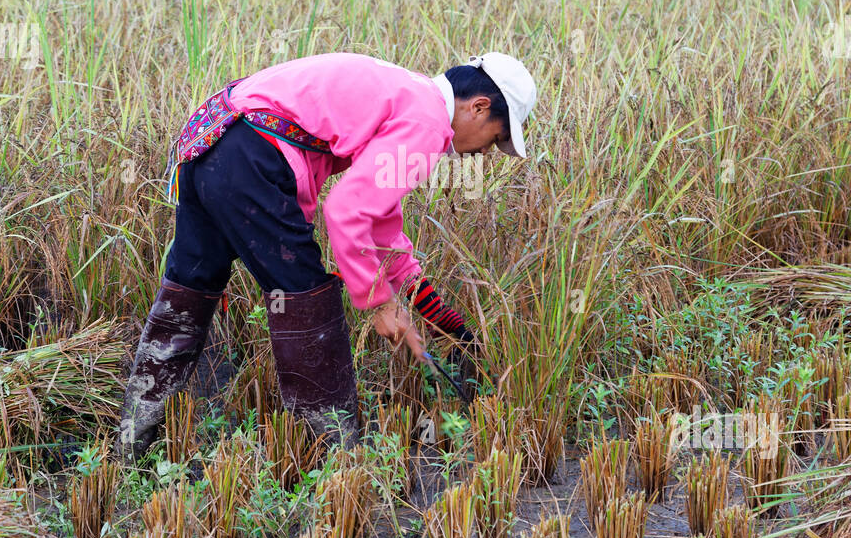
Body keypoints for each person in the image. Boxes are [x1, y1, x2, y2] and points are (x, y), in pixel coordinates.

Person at [117, 52, 538, 459]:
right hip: (253, 154)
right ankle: (334, 457)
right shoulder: (428, 123)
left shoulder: (409, 93)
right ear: (479, 108)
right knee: (307, 297)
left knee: (193, 285)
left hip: (209, 139)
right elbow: (346, 211)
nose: (484, 154)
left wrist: (446, 323)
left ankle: (133, 437)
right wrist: (379, 303)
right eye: (495, 139)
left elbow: (381, 225)